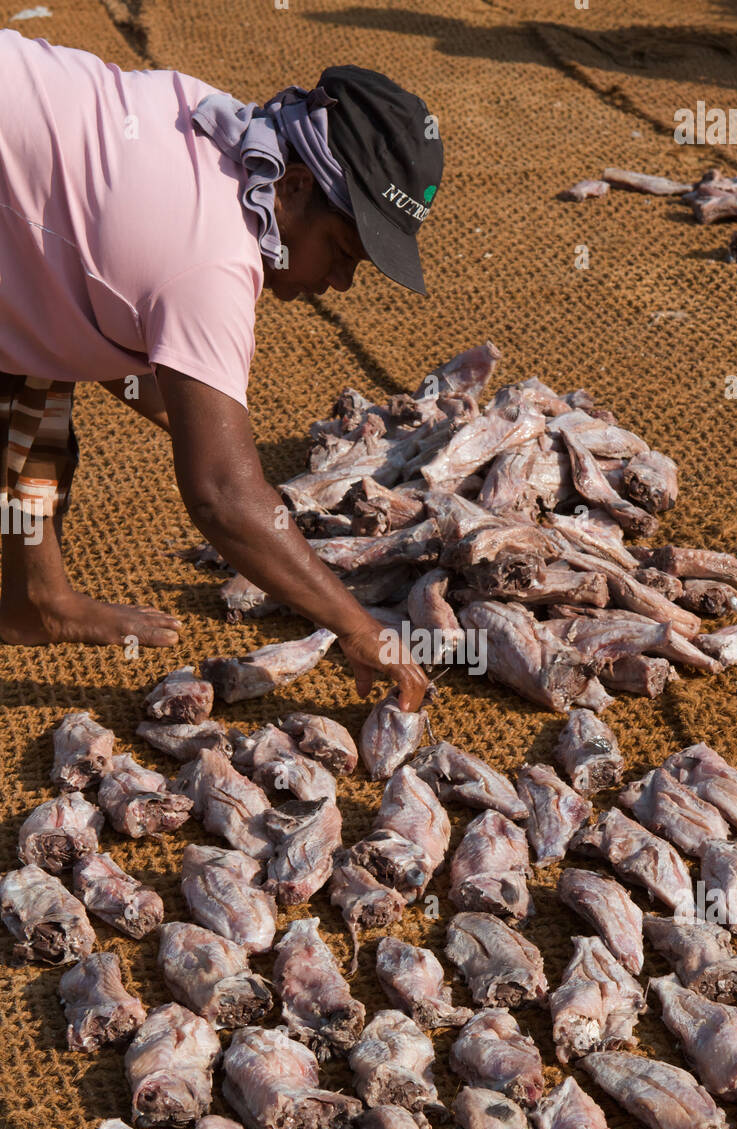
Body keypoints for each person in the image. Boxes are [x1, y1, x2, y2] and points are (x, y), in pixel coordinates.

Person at [0, 30, 443, 711]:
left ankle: (36, 600)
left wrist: (236, 454)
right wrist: (357, 627)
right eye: (344, 251)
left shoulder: (225, 132)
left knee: (39, 362)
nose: (343, 283)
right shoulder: (209, 264)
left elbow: (109, 315)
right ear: (294, 188)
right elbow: (220, 496)